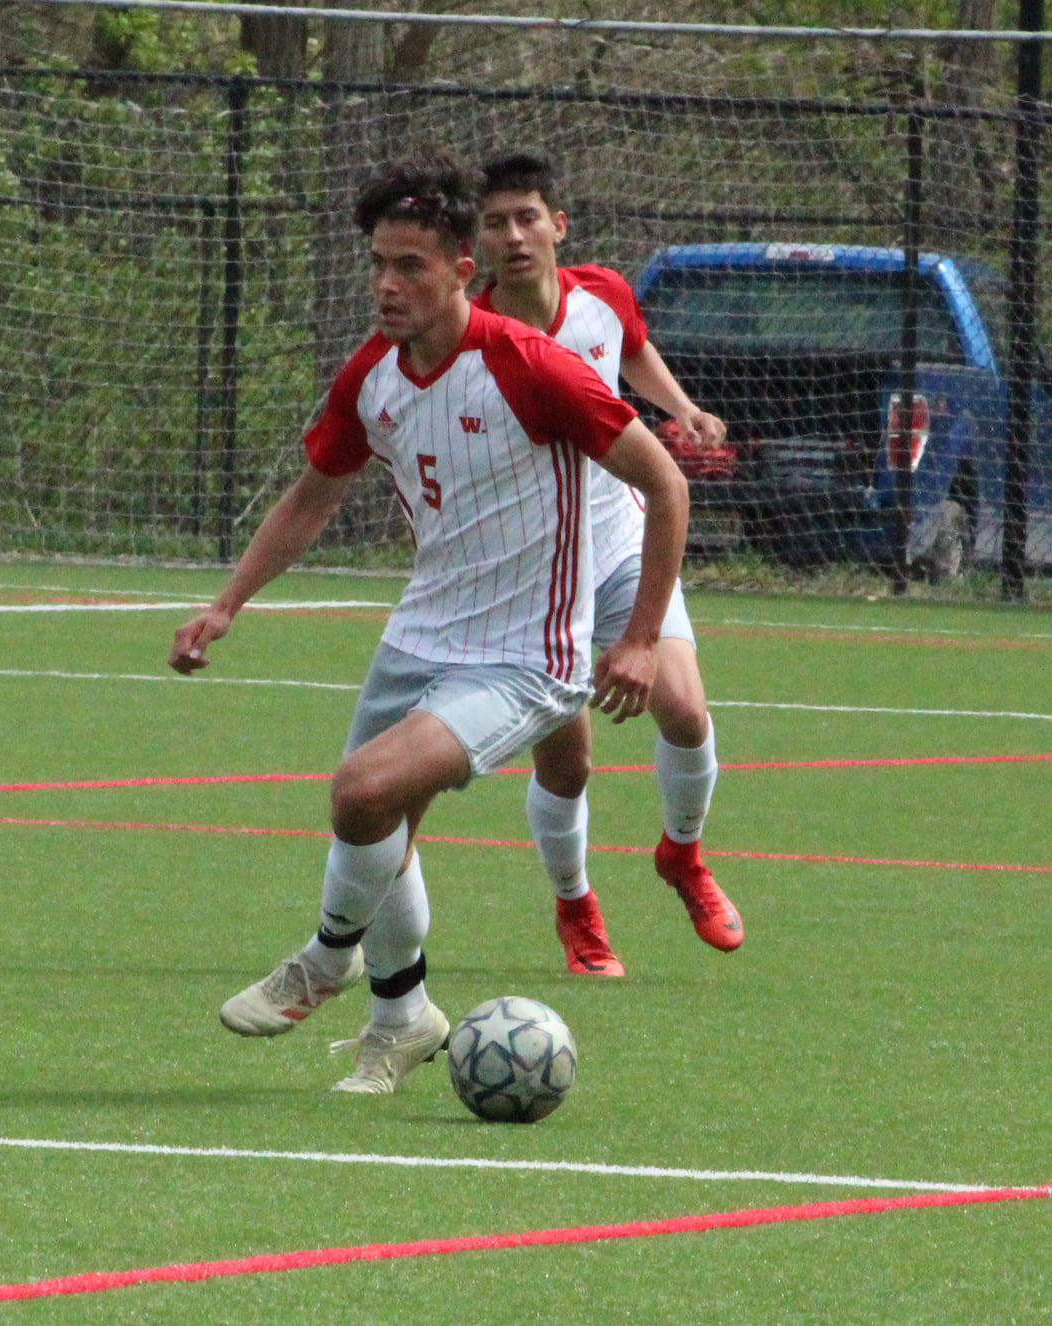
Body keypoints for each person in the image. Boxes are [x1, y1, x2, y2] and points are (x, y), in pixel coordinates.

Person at [169, 155, 688, 1094]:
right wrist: (227, 601)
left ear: (460, 268)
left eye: (409, 265)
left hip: (527, 659)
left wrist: (641, 636)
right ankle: (400, 1018)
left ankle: (327, 960)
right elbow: (313, 494)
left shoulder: (530, 367)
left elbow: (665, 484)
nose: (385, 284)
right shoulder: (373, 374)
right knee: (382, 826)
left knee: (362, 792)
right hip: (419, 637)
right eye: (377, 262)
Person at [473, 150, 743, 978]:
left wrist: (682, 408)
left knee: (685, 711)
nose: (513, 235)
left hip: (619, 536)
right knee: (570, 760)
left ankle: (682, 856)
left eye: (527, 217)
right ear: (475, 242)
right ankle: (576, 907)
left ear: (558, 225)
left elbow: (629, 350)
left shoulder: (603, 295)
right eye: (494, 222)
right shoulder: (470, 337)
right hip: (530, 567)